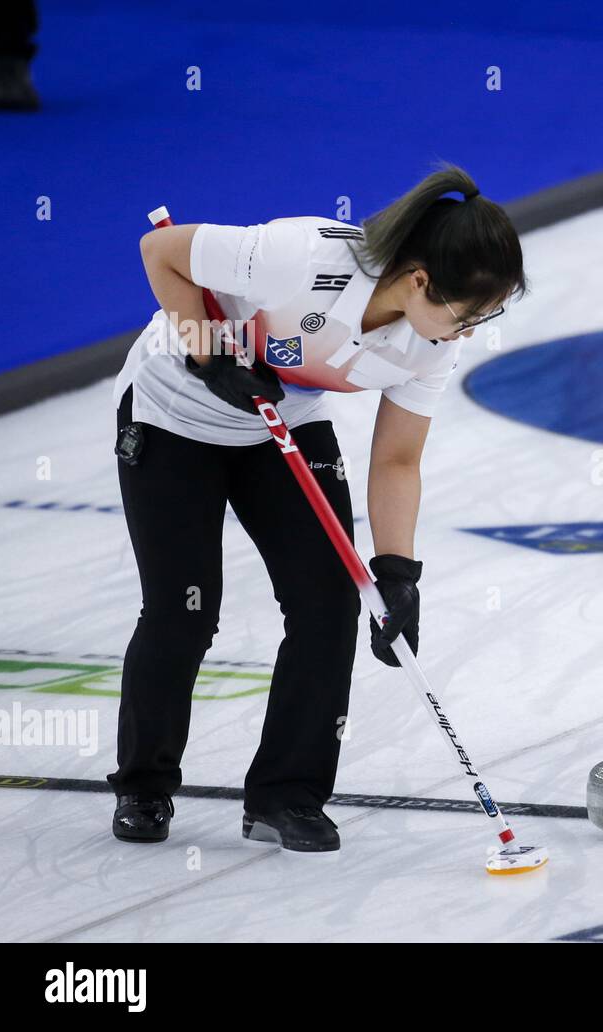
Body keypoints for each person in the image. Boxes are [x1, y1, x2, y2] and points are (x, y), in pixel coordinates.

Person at [109, 165, 526, 852]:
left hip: (281, 422)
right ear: (420, 280)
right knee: (185, 608)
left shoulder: (430, 345)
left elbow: (396, 459)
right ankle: (143, 786)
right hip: (172, 415)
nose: (470, 333)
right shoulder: (304, 257)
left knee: (331, 602)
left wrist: (398, 570)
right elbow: (162, 251)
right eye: (467, 314)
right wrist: (209, 352)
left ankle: (287, 793)